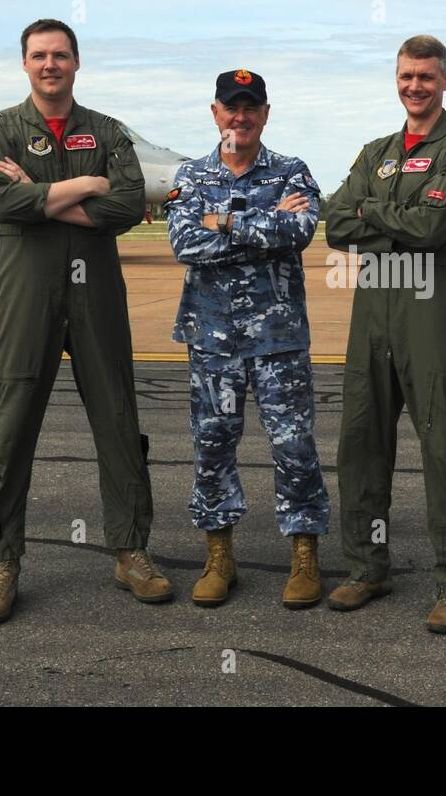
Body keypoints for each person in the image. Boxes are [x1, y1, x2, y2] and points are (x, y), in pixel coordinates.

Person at [0, 18, 171, 625]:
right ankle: (2, 561)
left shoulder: (107, 129)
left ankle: (131, 550)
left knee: (117, 418)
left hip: (97, 296)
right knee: (10, 429)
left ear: (77, 63)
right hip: (25, 295)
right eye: (39, 56)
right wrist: (87, 185)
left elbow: (131, 202)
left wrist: (47, 197)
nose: (49, 64)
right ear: (25, 65)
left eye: (60, 55)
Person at [323, 35, 446, 634]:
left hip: (430, 301)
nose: (414, 85)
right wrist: (379, 218)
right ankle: (367, 566)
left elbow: (430, 229)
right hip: (372, 304)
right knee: (361, 439)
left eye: (425, 76)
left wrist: (371, 213)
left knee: (444, 444)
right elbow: (334, 224)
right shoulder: (377, 151)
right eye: (405, 76)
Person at [167, 69, 329, 609]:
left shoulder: (292, 171)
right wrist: (260, 226)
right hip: (212, 340)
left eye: (250, 107)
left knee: (294, 446)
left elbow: (299, 233)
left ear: (265, 112)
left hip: (277, 340)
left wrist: (222, 221)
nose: (241, 116)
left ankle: (304, 554)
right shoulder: (190, 174)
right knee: (213, 446)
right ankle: (219, 557)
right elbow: (185, 244)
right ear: (215, 112)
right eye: (231, 107)